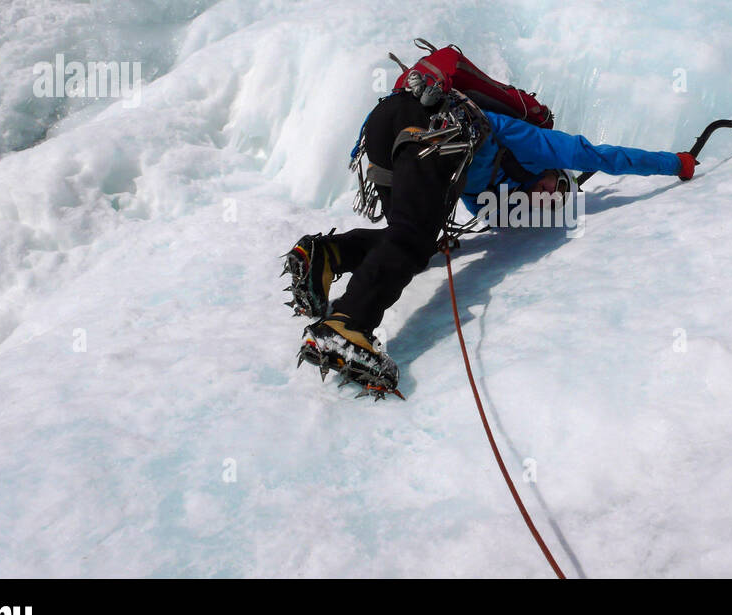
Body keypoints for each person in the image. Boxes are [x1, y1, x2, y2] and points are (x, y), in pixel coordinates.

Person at [282, 88, 697, 394]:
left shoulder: (490, 197)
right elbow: (607, 156)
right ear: (554, 172)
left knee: (411, 239)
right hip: (425, 124)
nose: (549, 197)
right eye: (557, 188)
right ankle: (348, 324)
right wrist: (676, 163)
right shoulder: (538, 146)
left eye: (553, 203)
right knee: (411, 238)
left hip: (391, 130)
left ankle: (326, 254)